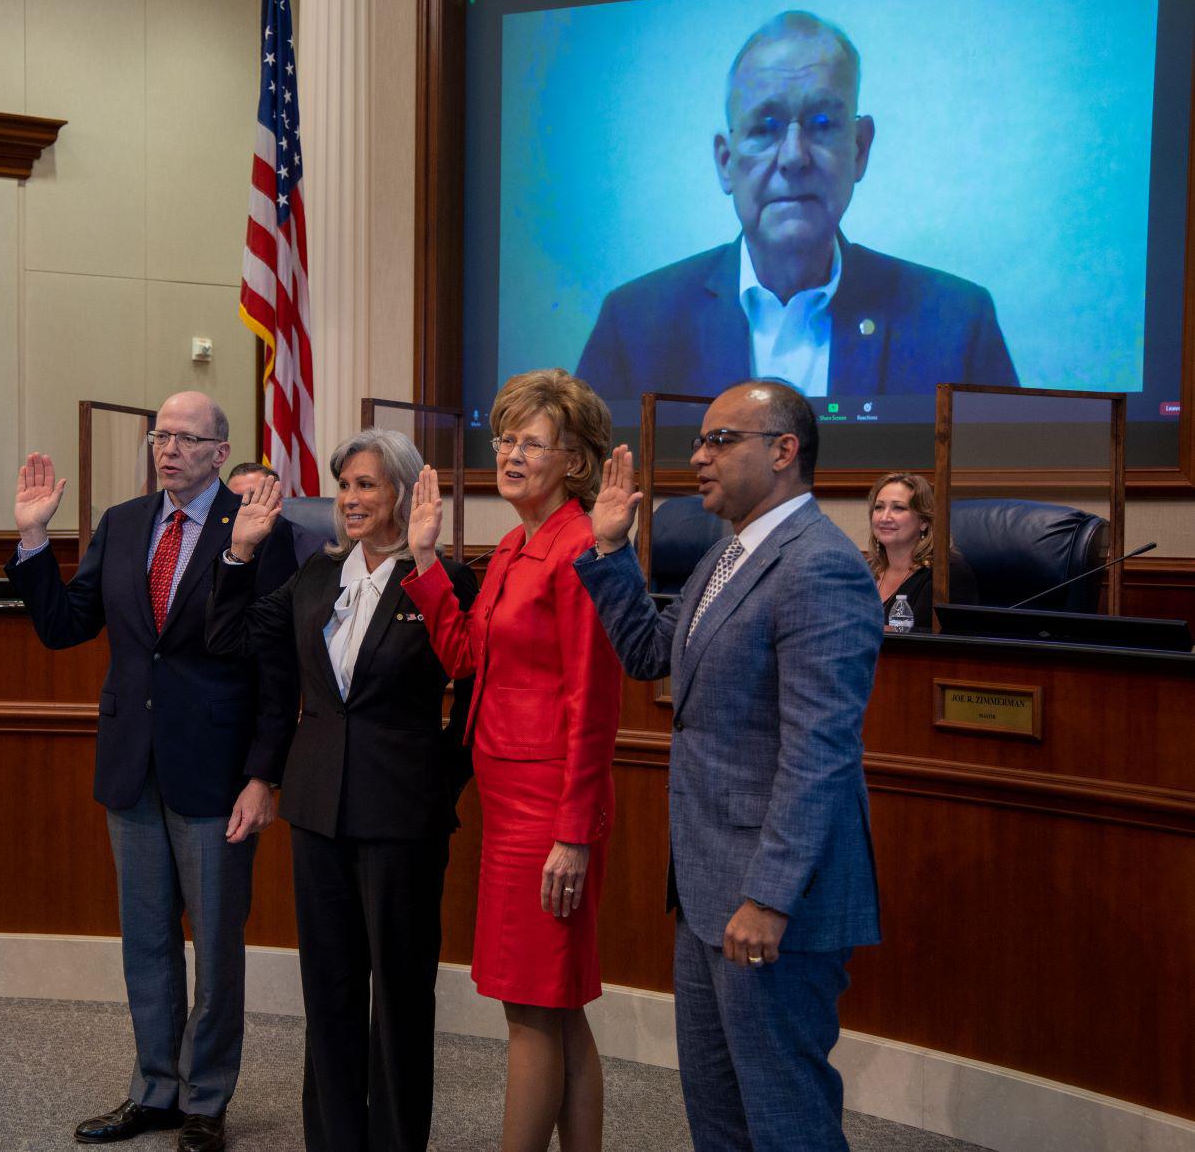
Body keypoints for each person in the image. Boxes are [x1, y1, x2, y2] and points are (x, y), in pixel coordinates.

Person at [574, 379, 883, 1151]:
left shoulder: (820, 566)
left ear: (784, 452)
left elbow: (820, 751)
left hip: (772, 902)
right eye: (700, 441)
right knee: (720, 1116)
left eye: (720, 441)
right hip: (711, 890)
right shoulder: (727, 553)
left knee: (785, 1121)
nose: (697, 457)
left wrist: (770, 898)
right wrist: (611, 549)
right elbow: (650, 654)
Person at [4, 392, 298, 1152]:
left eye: (186, 438)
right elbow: (67, 625)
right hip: (132, 764)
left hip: (218, 771)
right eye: (160, 436)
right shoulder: (124, 524)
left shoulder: (260, 532)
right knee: (146, 941)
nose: (168, 449)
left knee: (217, 946)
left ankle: (206, 1100)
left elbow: (278, 667)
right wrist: (34, 539)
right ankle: (154, 1090)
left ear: (219, 448)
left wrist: (265, 774)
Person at [206, 429, 477, 1152]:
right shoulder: (317, 576)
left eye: (368, 485)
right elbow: (229, 639)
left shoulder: (444, 577)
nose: (351, 500)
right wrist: (241, 554)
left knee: (397, 996)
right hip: (319, 805)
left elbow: (478, 690)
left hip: (403, 812)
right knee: (326, 992)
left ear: (407, 493)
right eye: (344, 486)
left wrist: (440, 776)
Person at [402, 369, 623, 1152]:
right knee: (554, 1007)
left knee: (531, 1011)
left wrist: (573, 831)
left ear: (575, 460)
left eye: (531, 441)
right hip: (506, 802)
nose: (510, 453)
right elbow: (466, 658)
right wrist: (426, 563)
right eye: (504, 439)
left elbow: (593, 704)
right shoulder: (511, 546)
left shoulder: (578, 550)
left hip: (549, 810)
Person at [576, 11, 1017, 402]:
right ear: (725, 162)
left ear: (859, 149)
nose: (793, 155)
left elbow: (1004, 491)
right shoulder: (633, 326)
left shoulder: (958, 324)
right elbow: (588, 490)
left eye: (822, 124)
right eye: (764, 128)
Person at [867, 471, 977, 631]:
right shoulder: (865, 571)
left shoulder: (947, 574)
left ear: (924, 521)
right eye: (879, 507)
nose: (884, 517)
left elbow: (937, 640)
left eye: (898, 508)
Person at [227, 460, 332, 569]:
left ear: (277, 502)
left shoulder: (312, 549)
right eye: (235, 499)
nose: (243, 508)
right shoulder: (215, 536)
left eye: (254, 498)